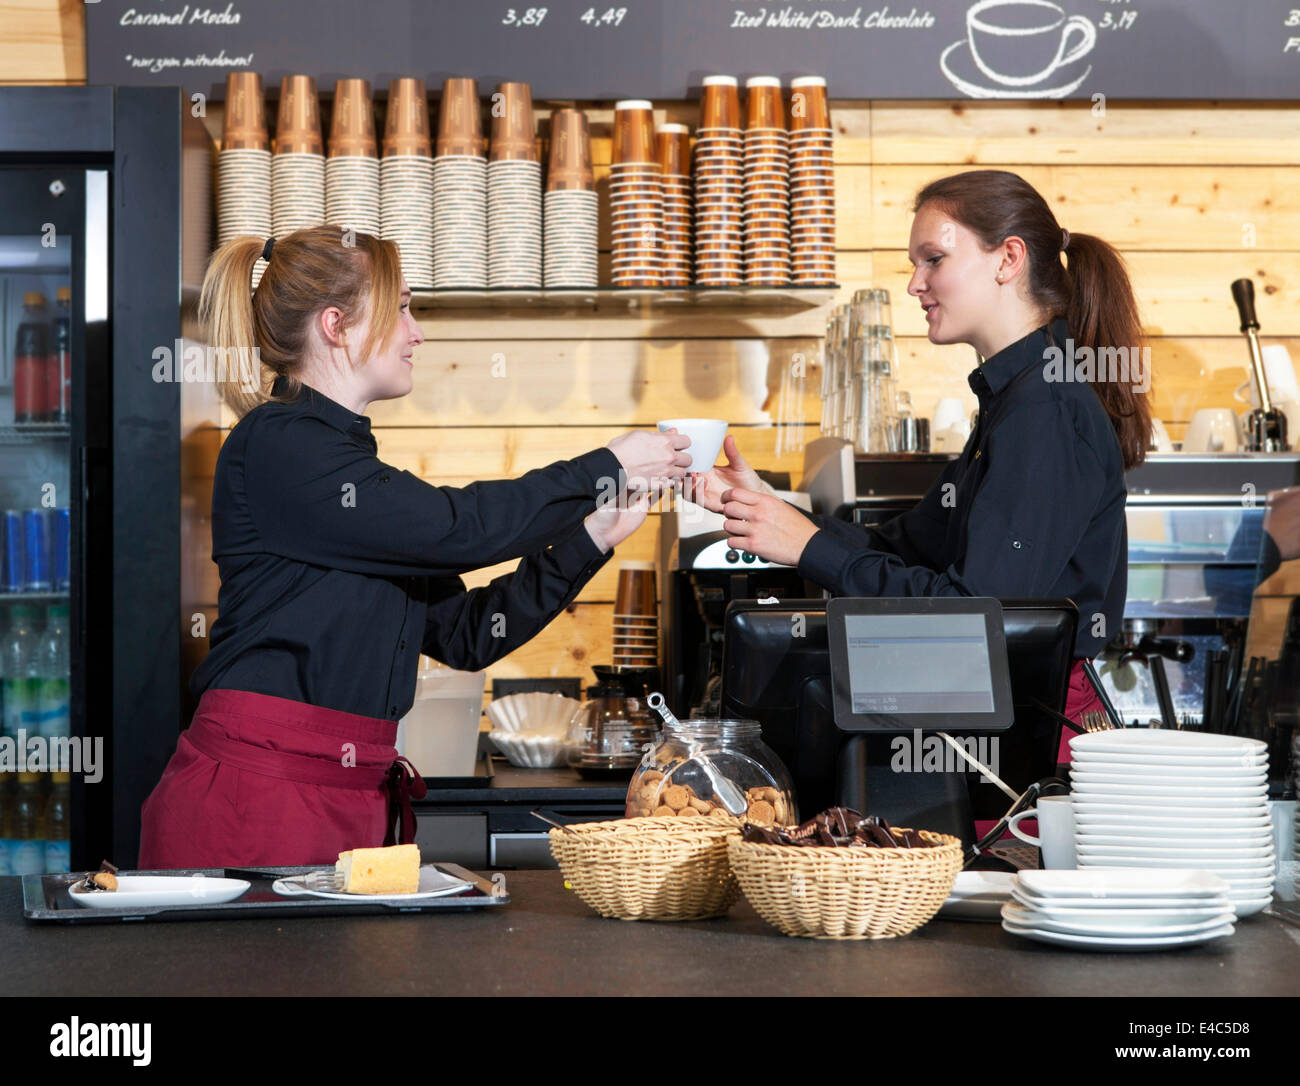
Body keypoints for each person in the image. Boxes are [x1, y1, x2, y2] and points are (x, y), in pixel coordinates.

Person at [138, 226, 689, 868]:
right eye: (402, 307)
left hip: (338, 797)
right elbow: (456, 528)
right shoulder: (279, 446)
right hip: (256, 801)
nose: (417, 332)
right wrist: (608, 464)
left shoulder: (347, 473)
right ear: (336, 325)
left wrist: (590, 535)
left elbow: (469, 635)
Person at [686, 169, 1153, 750]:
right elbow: (906, 549)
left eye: (933, 259)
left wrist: (808, 547)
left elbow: (971, 618)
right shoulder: (1013, 401)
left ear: (1008, 259)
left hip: (1028, 735)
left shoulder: (1047, 410)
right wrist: (771, 513)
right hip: (992, 715)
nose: (914, 284)